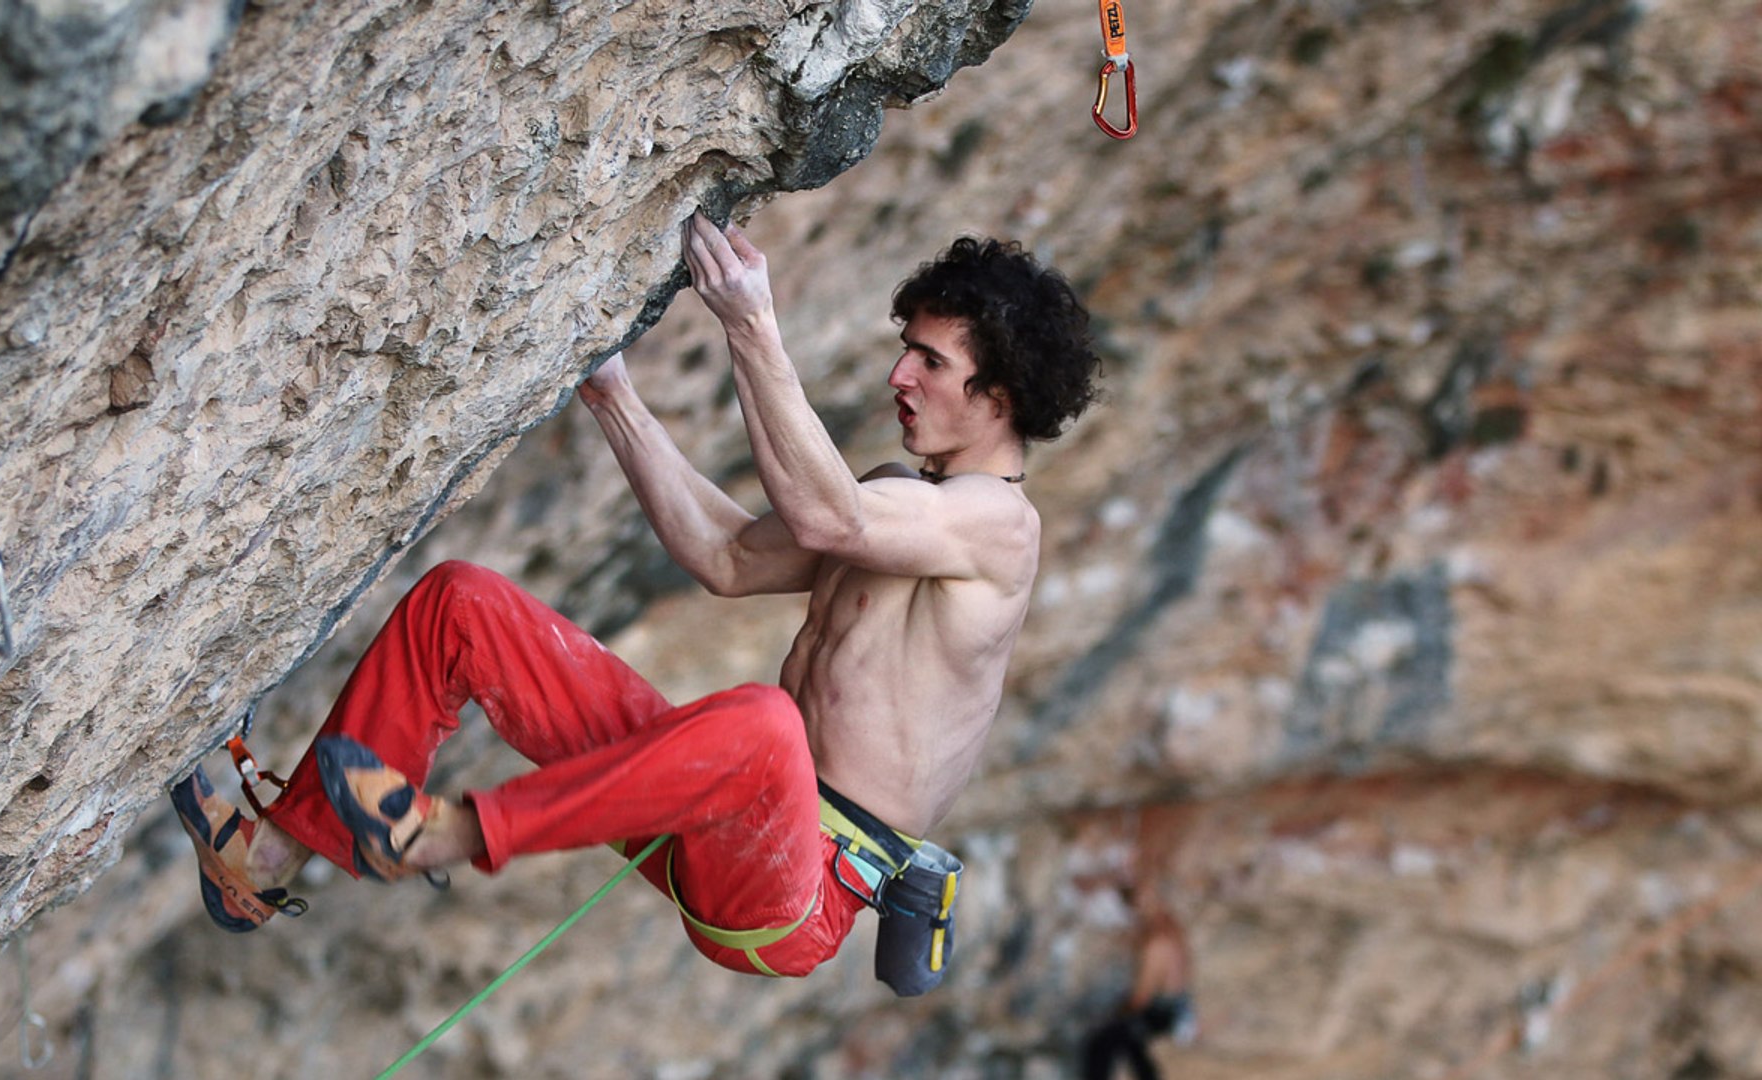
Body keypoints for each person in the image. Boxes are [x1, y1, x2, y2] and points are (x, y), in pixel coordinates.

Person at [171, 213, 1101, 984]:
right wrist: (611, 392)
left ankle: (445, 836)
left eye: (930, 362)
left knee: (767, 724)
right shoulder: (904, 500)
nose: (900, 375)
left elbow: (826, 518)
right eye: (907, 352)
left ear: (1001, 396)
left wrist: (750, 325)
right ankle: (267, 860)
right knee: (464, 608)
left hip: (791, 893)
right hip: (716, 813)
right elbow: (726, 557)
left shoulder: (998, 530)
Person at [1080, 882, 1196, 1080]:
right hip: (1178, 1008)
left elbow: (1141, 997)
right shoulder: (1171, 928)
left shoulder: (1156, 944)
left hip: (1163, 1013)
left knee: (1105, 1038)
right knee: (1129, 1040)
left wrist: (1114, 1012)